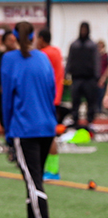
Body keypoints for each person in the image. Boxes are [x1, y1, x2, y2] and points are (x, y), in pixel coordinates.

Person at [2, 21, 57, 218]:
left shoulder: (9, 59)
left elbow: (7, 99)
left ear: (14, 38)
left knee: (33, 182)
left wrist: (8, 132)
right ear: (34, 37)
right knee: (34, 180)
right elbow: (52, 90)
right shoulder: (43, 58)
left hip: (24, 128)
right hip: (46, 126)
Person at [36, 28, 65, 181]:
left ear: (41, 39)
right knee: (48, 134)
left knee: (48, 135)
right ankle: (49, 169)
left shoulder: (44, 54)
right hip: (54, 99)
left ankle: (53, 171)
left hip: (48, 99)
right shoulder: (56, 51)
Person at [65, 22, 100, 130]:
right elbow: (69, 60)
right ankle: (75, 120)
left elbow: (96, 61)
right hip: (76, 78)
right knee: (75, 101)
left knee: (91, 102)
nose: (83, 31)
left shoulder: (92, 45)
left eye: (85, 29)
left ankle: (90, 121)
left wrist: (97, 76)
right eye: (82, 29)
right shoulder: (74, 45)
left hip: (89, 79)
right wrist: (66, 73)